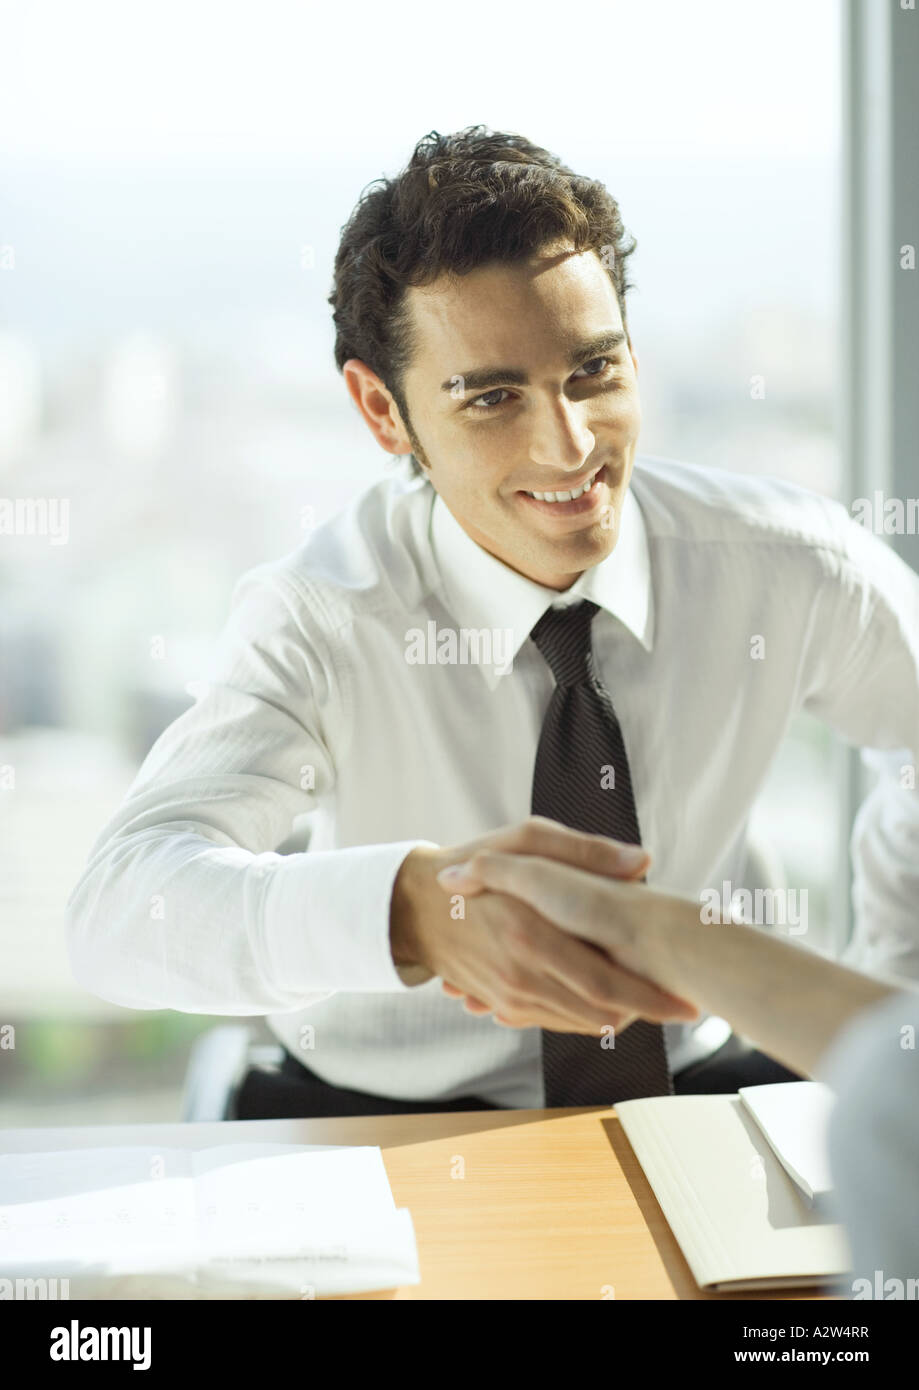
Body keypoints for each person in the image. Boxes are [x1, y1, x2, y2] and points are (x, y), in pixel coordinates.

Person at [66, 125, 919, 1118]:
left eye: (592, 373)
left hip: (702, 1090)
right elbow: (119, 909)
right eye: (493, 396)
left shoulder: (781, 565)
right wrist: (409, 912)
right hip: (383, 1117)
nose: (569, 448)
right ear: (382, 412)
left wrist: (886, 994)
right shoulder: (324, 614)